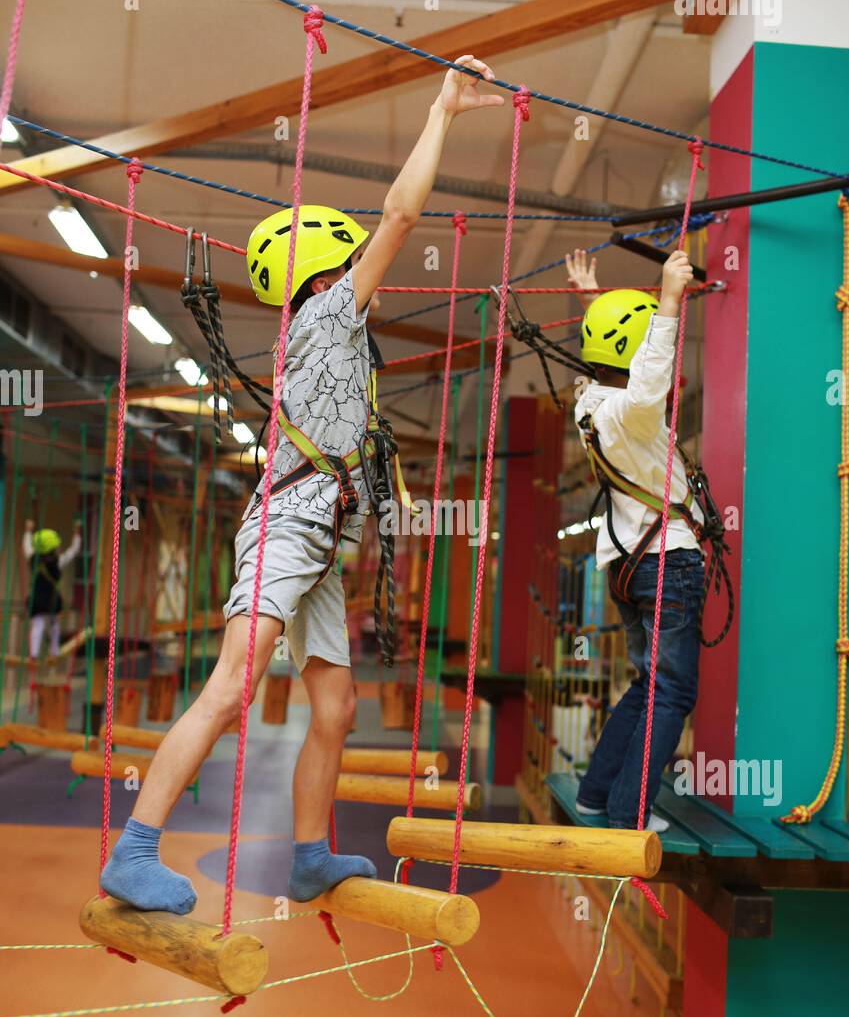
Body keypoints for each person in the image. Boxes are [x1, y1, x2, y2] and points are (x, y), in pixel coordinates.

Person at [101, 55, 503, 915]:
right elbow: (401, 212)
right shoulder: (327, 315)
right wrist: (442, 111)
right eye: (352, 260)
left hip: (320, 541)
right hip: (290, 527)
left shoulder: (324, 335)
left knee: (338, 704)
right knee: (235, 683)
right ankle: (133, 848)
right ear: (327, 272)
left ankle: (313, 854)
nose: (368, 265)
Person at [567, 247, 704, 832]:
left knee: (648, 685)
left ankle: (597, 795)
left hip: (628, 562)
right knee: (671, 693)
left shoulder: (593, 403)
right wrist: (669, 300)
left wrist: (596, 305)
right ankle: (627, 813)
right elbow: (647, 381)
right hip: (665, 559)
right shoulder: (632, 411)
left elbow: (627, 365)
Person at [22, 520, 82, 660]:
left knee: (37, 625)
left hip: (36, 599)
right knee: (54, 626)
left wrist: (28, 531)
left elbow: (26, 546)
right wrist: (77, 534)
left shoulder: (33, 560)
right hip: (51, 600)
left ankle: (34, 654)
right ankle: (54, 651)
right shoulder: (57, 562)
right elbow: (72, 552)